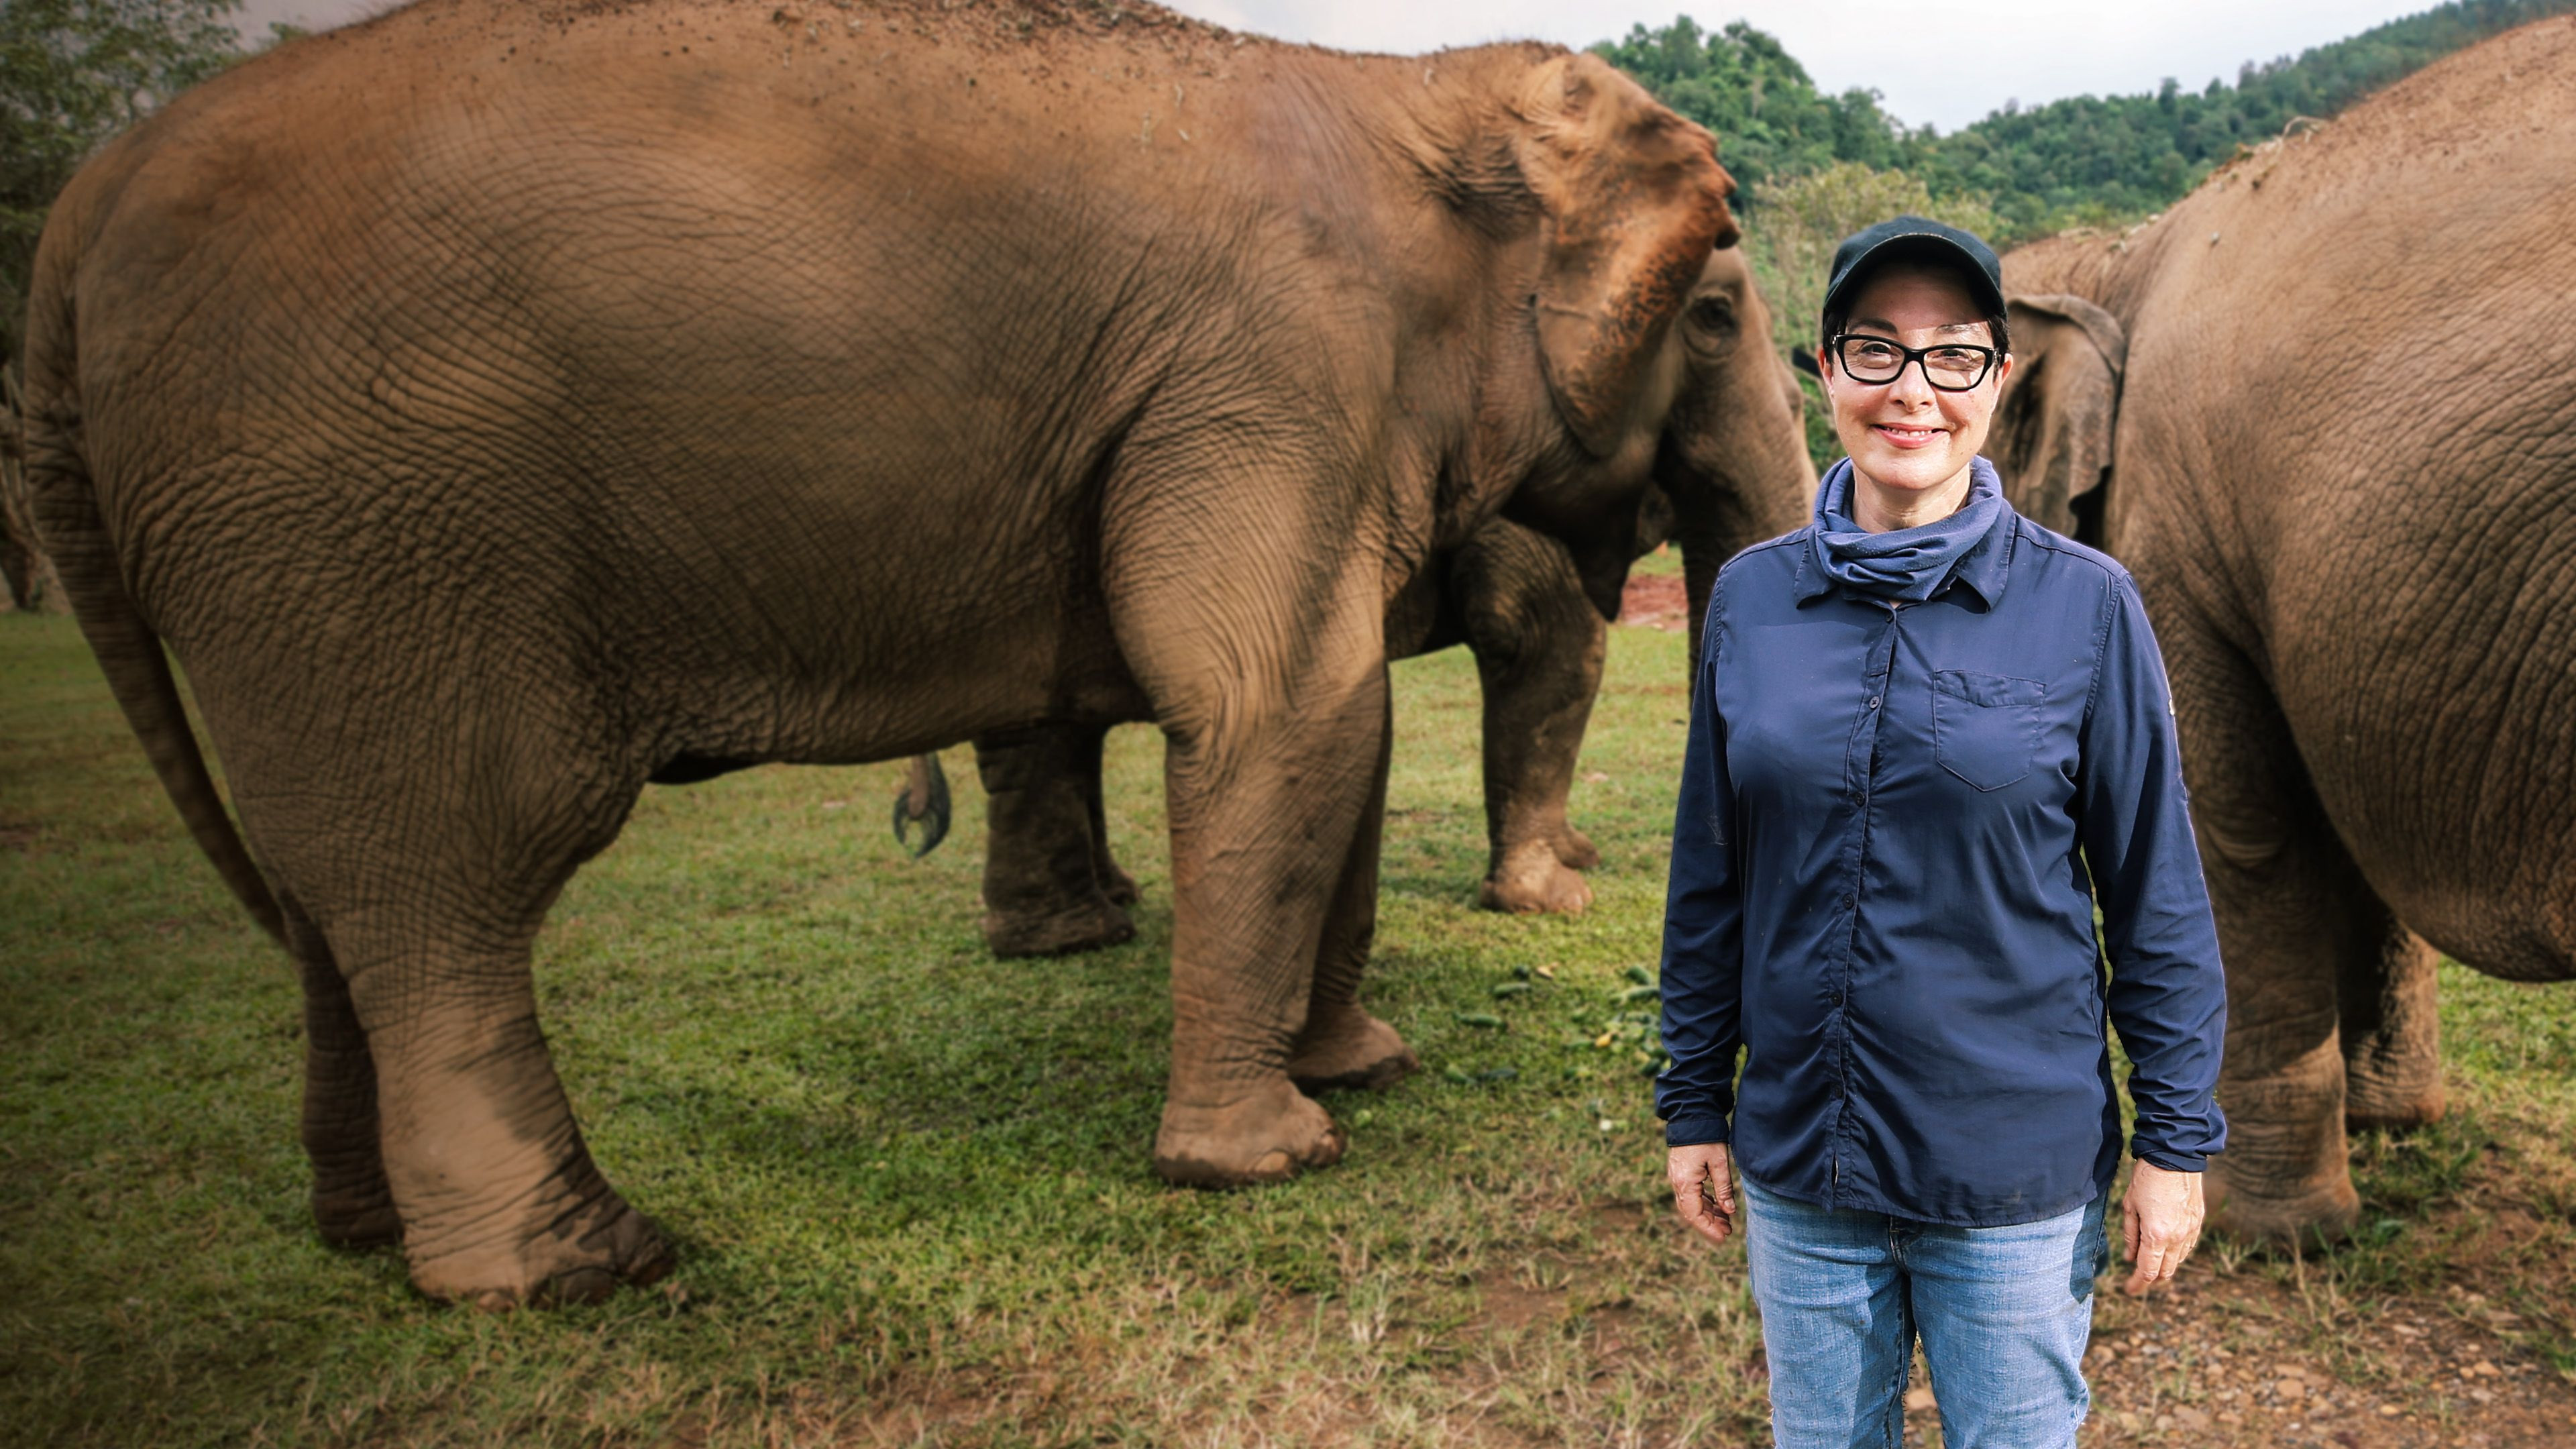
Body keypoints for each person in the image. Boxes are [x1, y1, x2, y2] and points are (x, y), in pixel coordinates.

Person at [1654, 216, 2227, 1449]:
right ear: (1825, 373)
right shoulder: (1754, 596)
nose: (1912, 389)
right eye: (1877, 351)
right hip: (1808, 1165)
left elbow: (2156, 896)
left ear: (2000, 383)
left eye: (1952, 356)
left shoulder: (2087, 606)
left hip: (2010, 1180)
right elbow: (1712, 878)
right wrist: (1694, 1103)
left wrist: (2176, 1144)